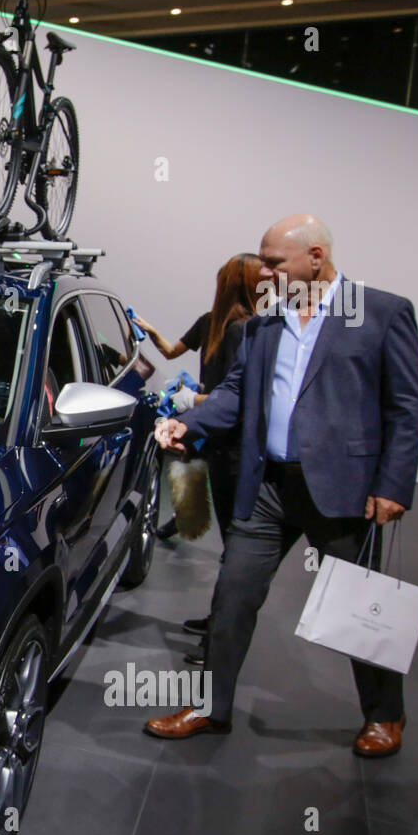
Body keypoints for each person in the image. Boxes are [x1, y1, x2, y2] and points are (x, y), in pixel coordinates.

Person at [148, 214, 418, 758]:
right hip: (268, 487)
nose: (266, 271)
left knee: (357, 608)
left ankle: (385, 716)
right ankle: (210, 707)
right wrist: (192, 423)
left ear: (316, 257)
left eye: (275, 261)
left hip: (341, 491)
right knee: (232, 600)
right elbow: (233, 392)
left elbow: (407, 407)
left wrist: (393, 484)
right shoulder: (262, 326)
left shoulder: (382, 313)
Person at [141, 254, 267, 657]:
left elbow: (234, 396)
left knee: (235, 546)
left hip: (221, 438)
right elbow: (176, 353)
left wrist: (190, 398)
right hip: (222, 441)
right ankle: (218, 626)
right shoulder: (230, 327)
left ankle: (221, 635)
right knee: (231, 540)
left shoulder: (231, 328)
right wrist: (148, 331)